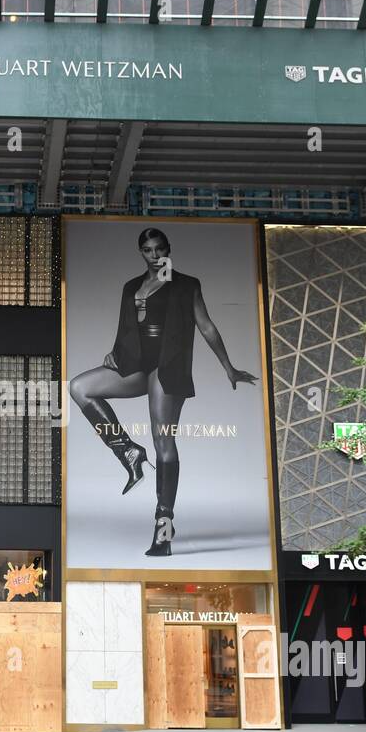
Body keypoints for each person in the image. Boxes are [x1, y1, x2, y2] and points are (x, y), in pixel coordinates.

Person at [68, 226, 258, 557]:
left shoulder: (186, 284)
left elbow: (207, 325)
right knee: (80, 388)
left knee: (163, 441)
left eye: (159, 249)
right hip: (136, 364)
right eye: (148, 250)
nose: (155, 256)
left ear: (168, 248)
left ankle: (163, 527)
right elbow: (126, 328)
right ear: (141, 252)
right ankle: (128, 452)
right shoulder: (131, 287)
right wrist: (113, 352)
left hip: (167, 367)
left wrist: (229, 367)